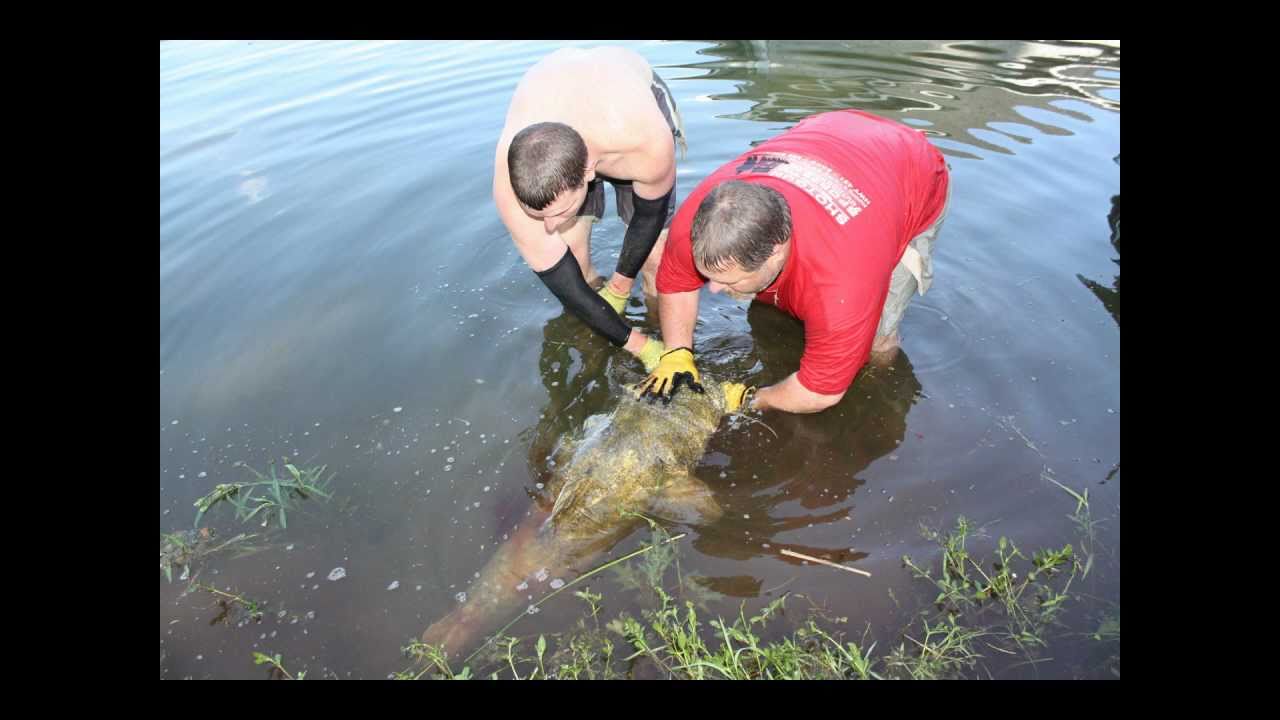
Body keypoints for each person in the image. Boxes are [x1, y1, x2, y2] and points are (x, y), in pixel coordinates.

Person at [639, 109, 951, 414]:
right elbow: (678, 285)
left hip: (908, 169)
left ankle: (876, 406)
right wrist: (677, 353)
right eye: (709, 276)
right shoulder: (703, 225)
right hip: (828, 130)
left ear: (776, 249)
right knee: (763, 291)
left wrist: (746, 399)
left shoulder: (842, 285)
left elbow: (819, 394)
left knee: (877, 340)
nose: (714, 289)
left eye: (729, 280)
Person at [494, 46, 688, 372]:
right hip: (555, 96)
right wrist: (641, 348)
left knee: (657, 259)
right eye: (539, 214)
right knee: (577, 266)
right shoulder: (509, 186)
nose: (550, 226)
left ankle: (667, 337)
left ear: (588, 173)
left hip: (625, 100)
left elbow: (649, 215)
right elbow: (567, 285)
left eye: (560, 212)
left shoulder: (645, 143)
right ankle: (607, 338)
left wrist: (622, 284)